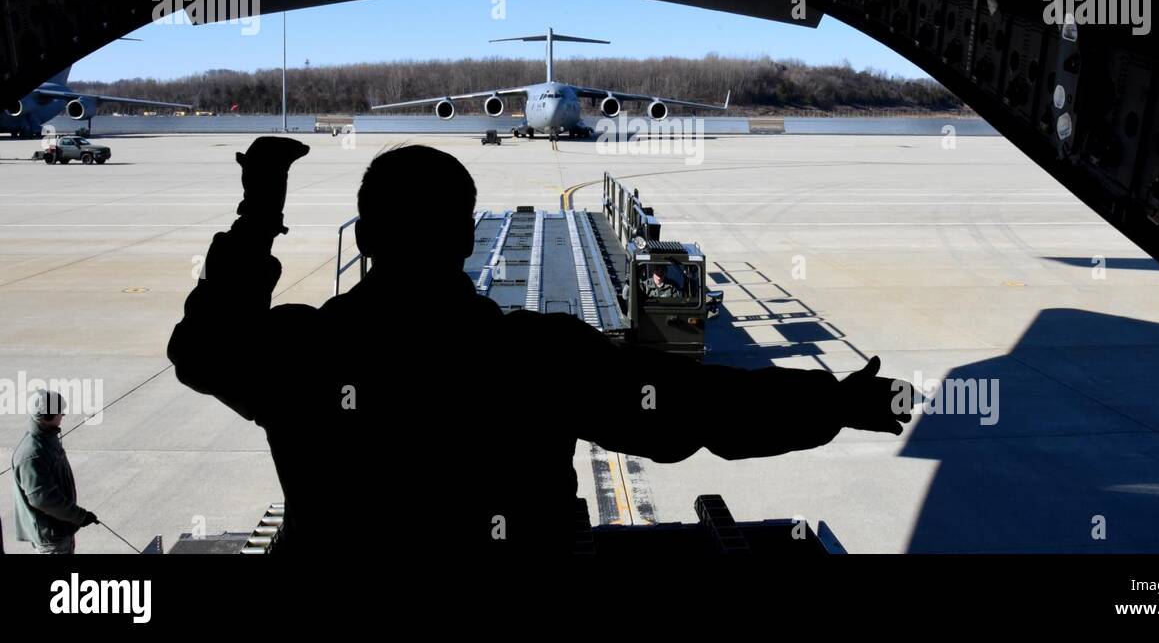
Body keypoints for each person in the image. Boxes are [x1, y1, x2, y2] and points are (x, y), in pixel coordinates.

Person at [169, 138, 915, 554]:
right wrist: (835, 401)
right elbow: (698, 407)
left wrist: (260, 207)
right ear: (466, 238)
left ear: (362, 240)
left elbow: (202, 345)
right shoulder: (534, 357)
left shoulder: (300, 354)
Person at [10, 389, 98, 554]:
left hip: (60, 528)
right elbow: (43, 499)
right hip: (51, 537)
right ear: (47, 416)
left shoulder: (46, 438)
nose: (63, 416)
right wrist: (79, 516)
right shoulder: (32, 454)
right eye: (60, 413)